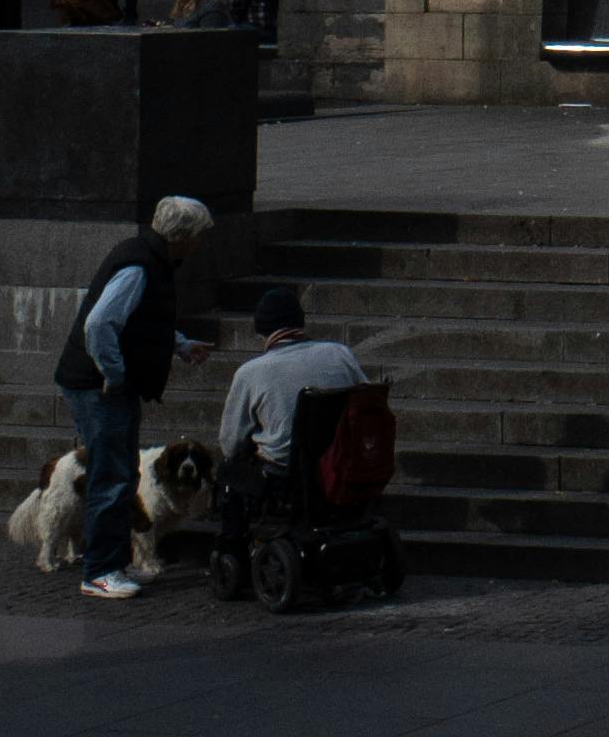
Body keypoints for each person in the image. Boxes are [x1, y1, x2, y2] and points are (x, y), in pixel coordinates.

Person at [54, 193, 215, 598]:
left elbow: (143, 321)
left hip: (108, 385)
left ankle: (115, 563)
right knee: (110, 476)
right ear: (182, 236)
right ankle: (99, 571)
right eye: (199, 236)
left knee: (122, 473)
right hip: (99, 387)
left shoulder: (150, 258)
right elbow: (99, 324)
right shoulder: (140, 266)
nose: (201, 245)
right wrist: (114, 374)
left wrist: (177, 343)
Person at [216, 280, 372, 551]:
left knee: (230, 473)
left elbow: (230, 443)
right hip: (341, 460)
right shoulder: (340, 354)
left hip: (284, 474)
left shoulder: (252, 372)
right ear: (300, 321)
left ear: (261, 329)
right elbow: (367, 400)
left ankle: (233, 550)